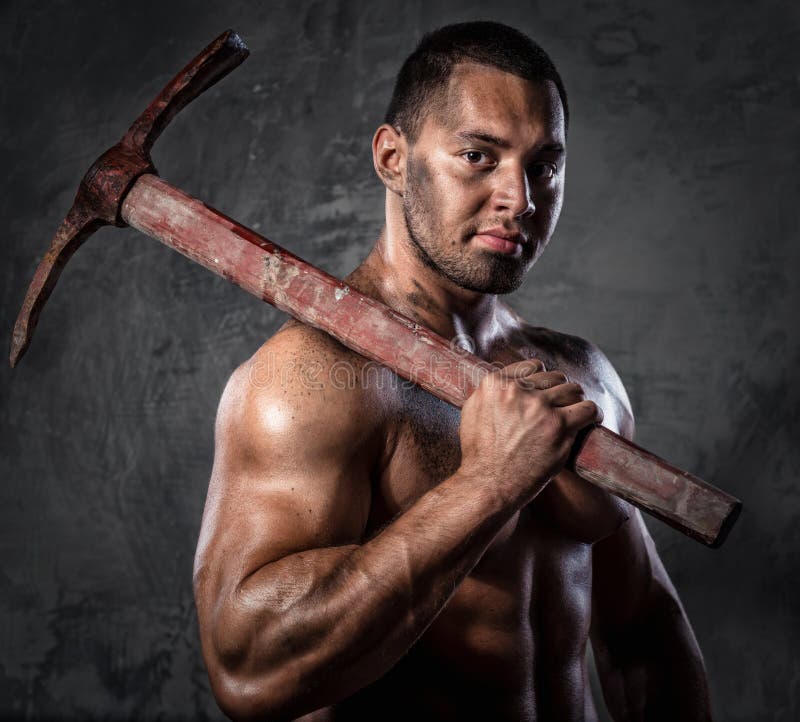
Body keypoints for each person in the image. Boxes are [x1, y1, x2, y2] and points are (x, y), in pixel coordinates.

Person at [193, 21, 712, 722]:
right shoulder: (310, 382)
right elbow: (249, 671)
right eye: (478, 156)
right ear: (392, 157)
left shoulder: (581, 373)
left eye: (544, 166)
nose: (520, 198)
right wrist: (490, 483)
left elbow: (644, 635)